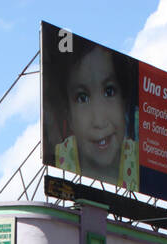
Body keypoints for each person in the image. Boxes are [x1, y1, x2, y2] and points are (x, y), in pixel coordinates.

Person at [49, 34, 139, 190]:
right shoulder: (59, 158)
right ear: (68, 115)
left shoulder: (140, 160)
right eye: (82, 98)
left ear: (124, 102)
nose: (99, 121)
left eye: (109, 91)